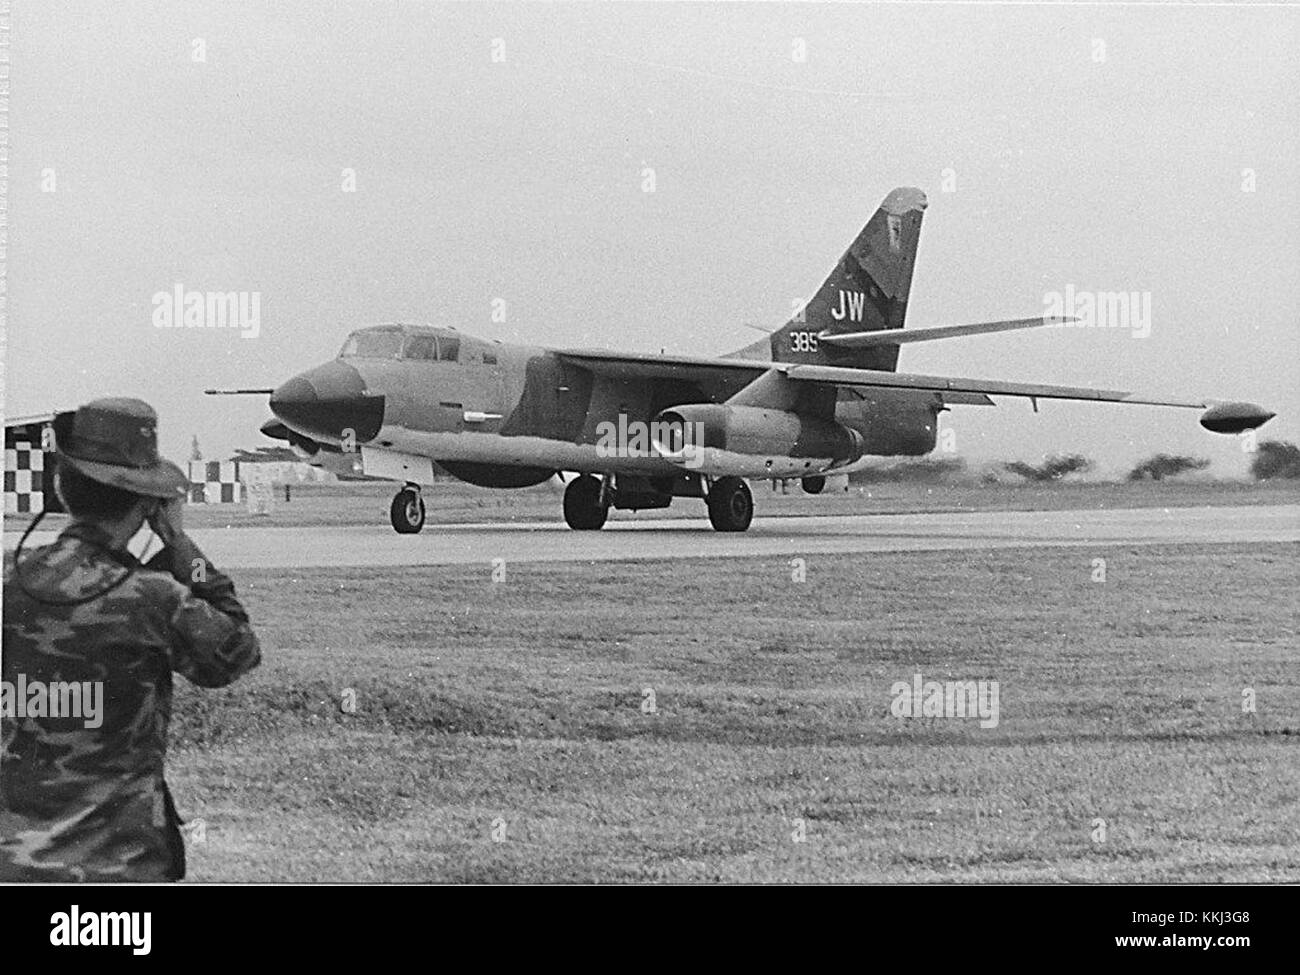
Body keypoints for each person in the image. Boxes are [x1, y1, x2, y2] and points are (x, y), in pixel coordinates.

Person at [1, 397, 261, 881]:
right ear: (147, 504)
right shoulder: (155, 598)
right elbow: (236, 652)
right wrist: (182, 549)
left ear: (62, 485)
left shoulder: (8, 580)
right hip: (120, 864)